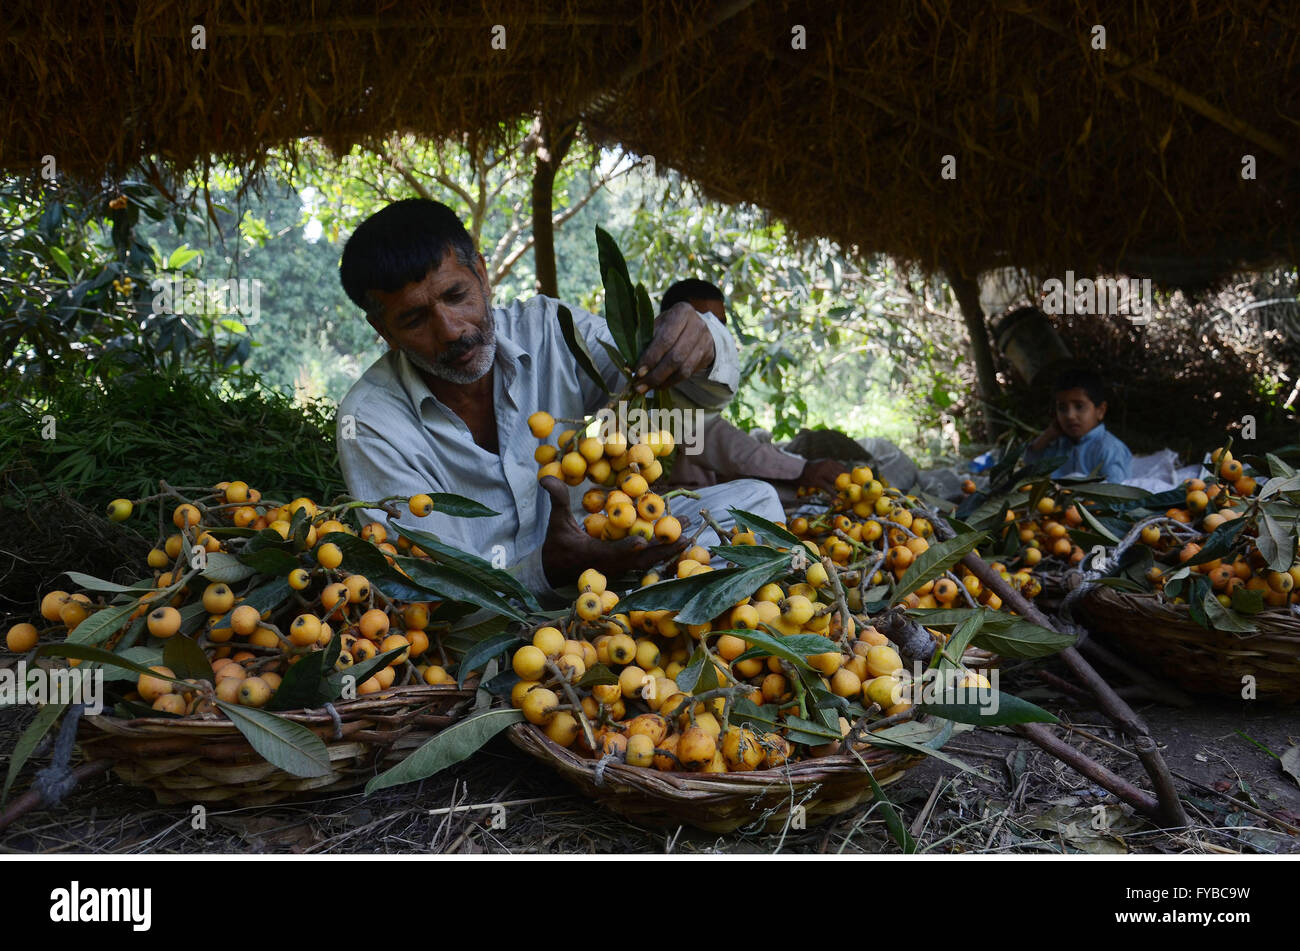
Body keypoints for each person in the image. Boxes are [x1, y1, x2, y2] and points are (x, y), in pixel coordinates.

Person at [334, 199, 786, 600]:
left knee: (755, 503)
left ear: (484, 276)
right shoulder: (372, 421)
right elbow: (427, 584)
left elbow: (685, 397)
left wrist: (703, 343)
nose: (451, 329)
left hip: (616, 563)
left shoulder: (552, 329)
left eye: (457, 296)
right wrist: (546, 570)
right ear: (384, 332)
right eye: (414, 319)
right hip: (497, 616)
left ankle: (653, 606)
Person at [656, 279, 847, 494]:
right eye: (703, 324)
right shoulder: (653, 387)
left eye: (720, 325)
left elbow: (724, 445)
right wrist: (801, 469)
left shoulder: (700, 388)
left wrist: (799, 469)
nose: (710, 334)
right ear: (670, 323)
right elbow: (717, 439)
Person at [1022, 367, 1132, 482]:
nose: (1070, 415)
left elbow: (1116, 493)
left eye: (1079, 406)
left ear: (1100, 411)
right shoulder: (1058, 446)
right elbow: (1029, 465)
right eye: (1062, 408)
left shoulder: (1109, 449)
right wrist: (1046, 436)